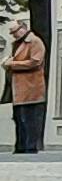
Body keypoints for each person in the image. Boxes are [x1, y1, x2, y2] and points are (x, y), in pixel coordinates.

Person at [7, 24, 47, 154]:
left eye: (15, 32)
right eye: (12, 33)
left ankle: (30, 147)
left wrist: (12, 64)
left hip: (31, 90)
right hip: (18, 90)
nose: (14, 35)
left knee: (30, 120)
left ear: (23, 29)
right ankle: (21, 146)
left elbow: (35, 61)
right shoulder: (17, 44)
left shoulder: (34, 41)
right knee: (19, 119)